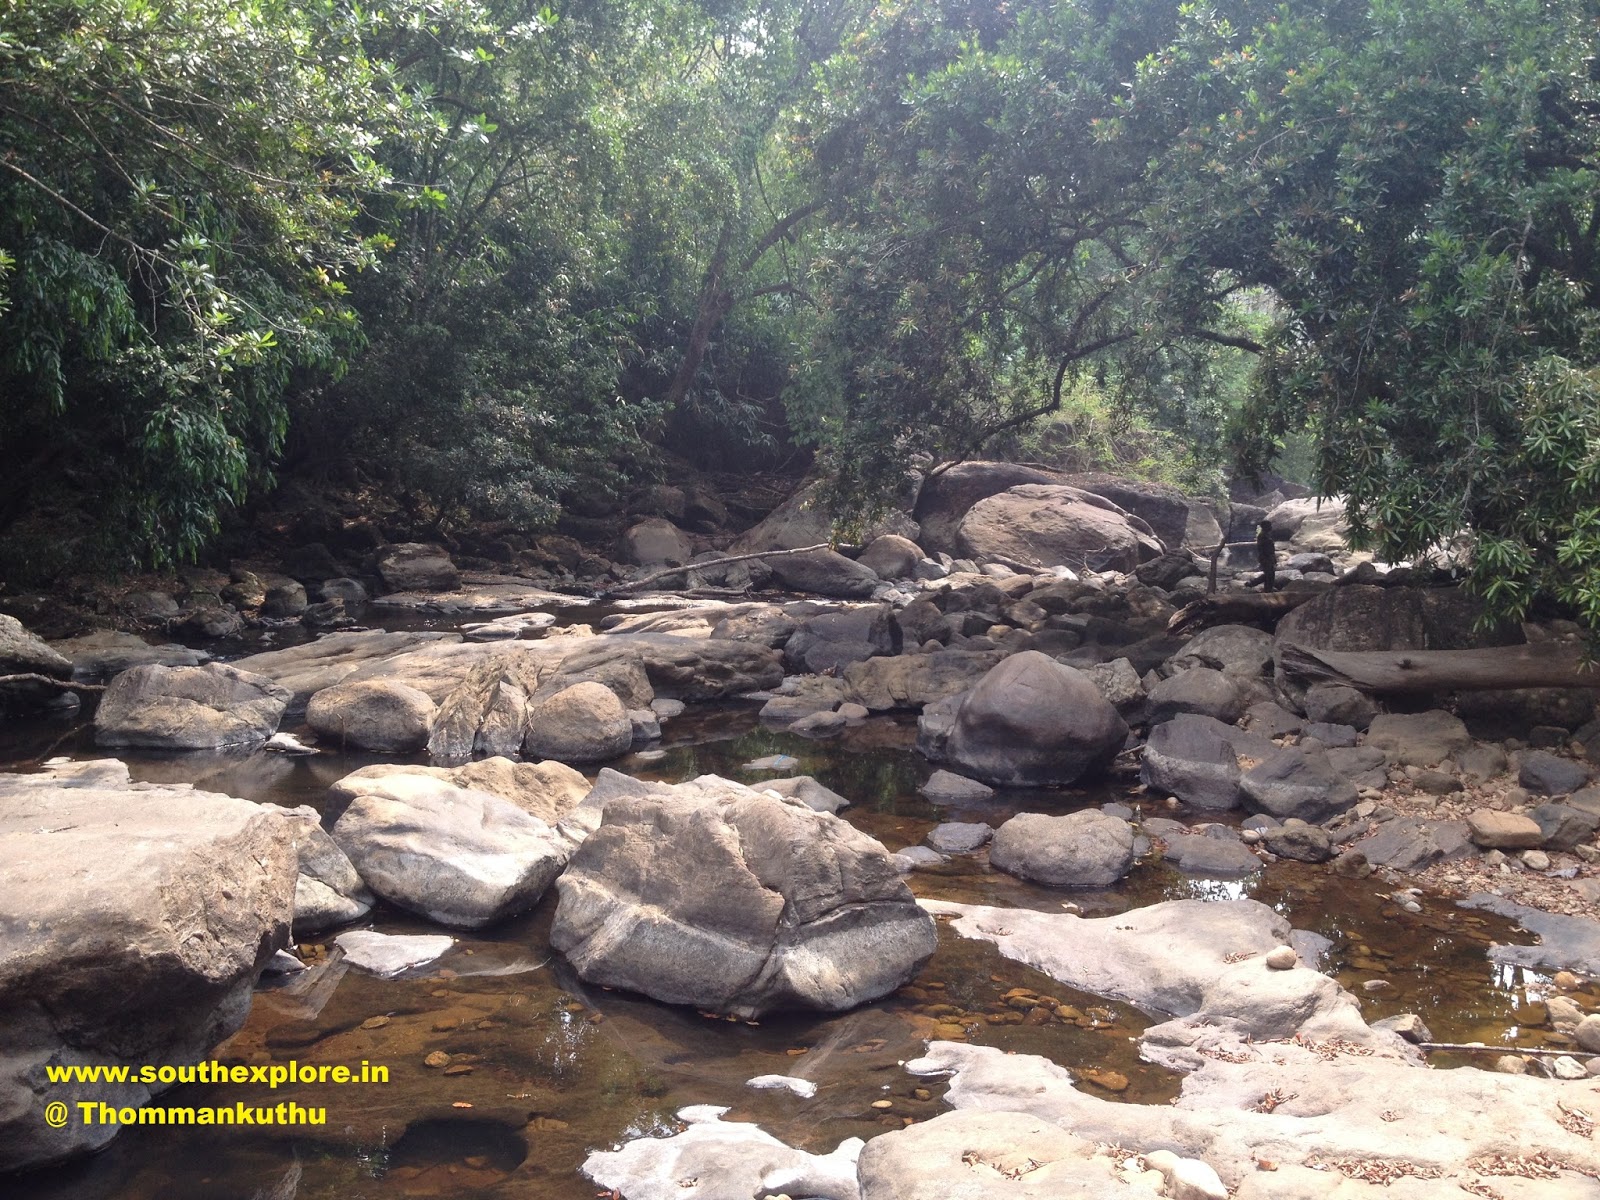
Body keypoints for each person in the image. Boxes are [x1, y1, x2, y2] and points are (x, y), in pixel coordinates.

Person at [1256, 519, 1276, 592]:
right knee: (1269, 575)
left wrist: (1273, 558)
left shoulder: (1267, 535)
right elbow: (1262, 549)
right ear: (1265, 527)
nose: (1271, 527)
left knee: (1270, 574)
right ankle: (1267, 590)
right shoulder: (1262, 536)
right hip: (1266, 558)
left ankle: (1268, 589)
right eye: (1269, 525)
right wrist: (1265, 558)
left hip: (1269, 557)